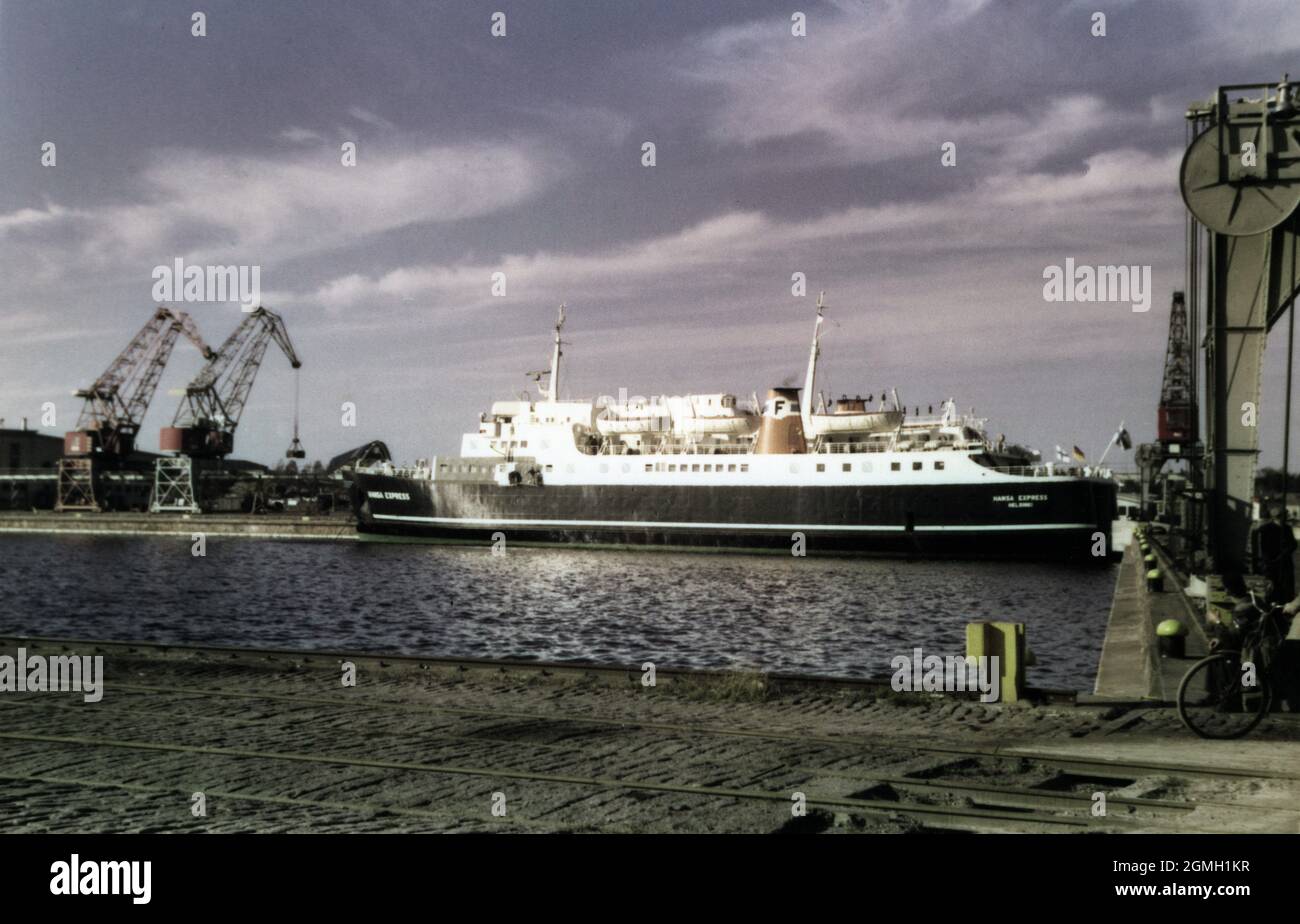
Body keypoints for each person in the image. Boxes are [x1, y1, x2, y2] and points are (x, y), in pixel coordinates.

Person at [1251, 506, 1297, 605]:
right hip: (1271, 564)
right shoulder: (1266, 529)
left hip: (1285, 564)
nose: (1286, 517)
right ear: (1277, 517)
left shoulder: (1287, 528)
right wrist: (1271, 561)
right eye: (1284, 515)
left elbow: (1293, 544)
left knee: (1286, 589)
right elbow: (1264, 549)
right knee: (1272, 589)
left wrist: (1285, 553)